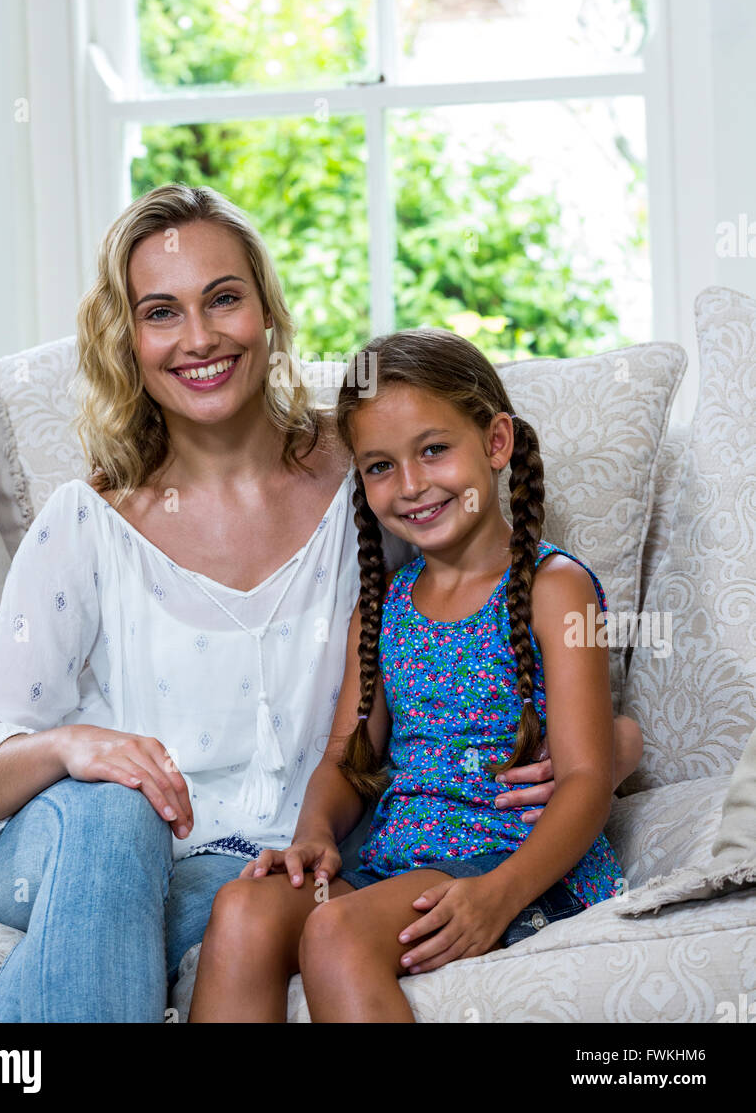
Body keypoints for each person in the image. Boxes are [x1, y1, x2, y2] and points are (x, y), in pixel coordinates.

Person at [0, 185, 641, 1023]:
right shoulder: (88, 525)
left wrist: (608, 751)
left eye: (223, 298)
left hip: (253, 868)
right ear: (129, 340)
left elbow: (485, 626)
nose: (198, 338)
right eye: (161, 312)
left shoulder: (369, 490)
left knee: (242, 907)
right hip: (69, 847)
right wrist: (73, 746)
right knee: (120, 817)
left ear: (266, 311)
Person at [189, 328, 640, 1024]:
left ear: (496, 443)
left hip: (507, 866)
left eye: (434, 450)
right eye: (379, 466)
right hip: (394, 868)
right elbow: (348, 756)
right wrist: (314, 833)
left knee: (335, 932)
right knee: (244, 907)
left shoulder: (556, 589)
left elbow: (586, 778)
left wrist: (500, 894)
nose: (411, 486)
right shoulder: (383, 608)